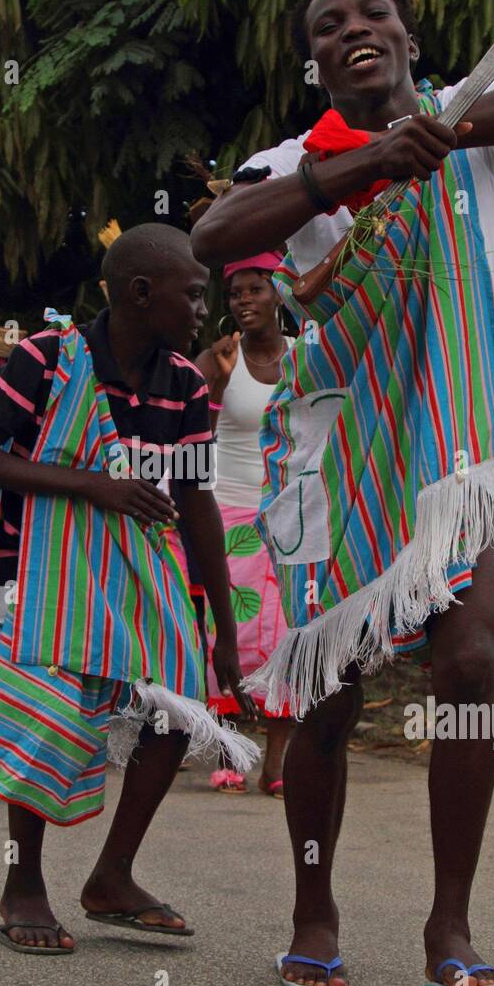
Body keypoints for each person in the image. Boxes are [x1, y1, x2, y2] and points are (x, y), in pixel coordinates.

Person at [191, 0, 494, 986]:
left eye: (373, 15)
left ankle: (448, 928)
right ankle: (313, 911)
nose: (353, 30)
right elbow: (215, 240)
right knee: (328, 699)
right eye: (329, 24)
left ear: (410, 41)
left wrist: (441, 132)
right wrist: (359, 166)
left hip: (452, 444)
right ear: (312, 58)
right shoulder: (285, 162)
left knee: (469, 668)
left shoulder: (475, 121)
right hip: (334, 455)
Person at [0, 223, 259, 954]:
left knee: (177, 705)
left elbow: (199, 502)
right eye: (193, 293)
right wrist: (94, 487)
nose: (203, 310)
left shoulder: (183, 384)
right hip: (28, 576)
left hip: (131, 572)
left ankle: (112, 875)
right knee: (46, 715)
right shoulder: (45, 362)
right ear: (141, 293)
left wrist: (224, 625)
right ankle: (24, 884)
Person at [194, 252, 296, 797]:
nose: (243, 301)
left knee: (287, 639)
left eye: (255, 289)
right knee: (230, 633)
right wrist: (217, 384)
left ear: (279, 293)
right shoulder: (217, 358)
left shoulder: (308, 357)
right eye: (235, 293)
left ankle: (277, 762)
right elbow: (186, 430)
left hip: (289, 515)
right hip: (229, 513)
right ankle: (230, 748)